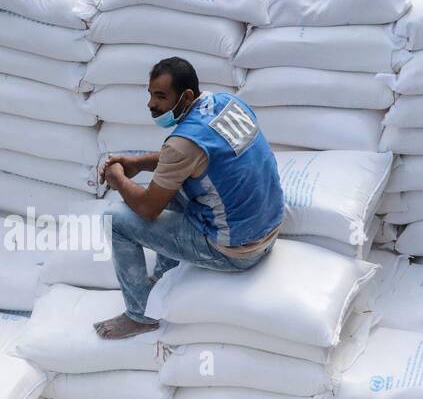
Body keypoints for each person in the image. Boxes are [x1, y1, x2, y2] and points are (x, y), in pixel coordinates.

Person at [94, 57, 285, 340]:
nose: (151, 104)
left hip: (236, 252)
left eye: (160, 96)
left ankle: (140, 314)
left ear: (186, 97)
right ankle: (163, 277)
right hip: (269, 231)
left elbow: (147, 208)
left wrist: (119, 179)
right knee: (175, 183)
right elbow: (196, 158)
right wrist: (140, 162)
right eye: (149, 94)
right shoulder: (228, 104)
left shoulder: (182, 144)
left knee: (116, 220)